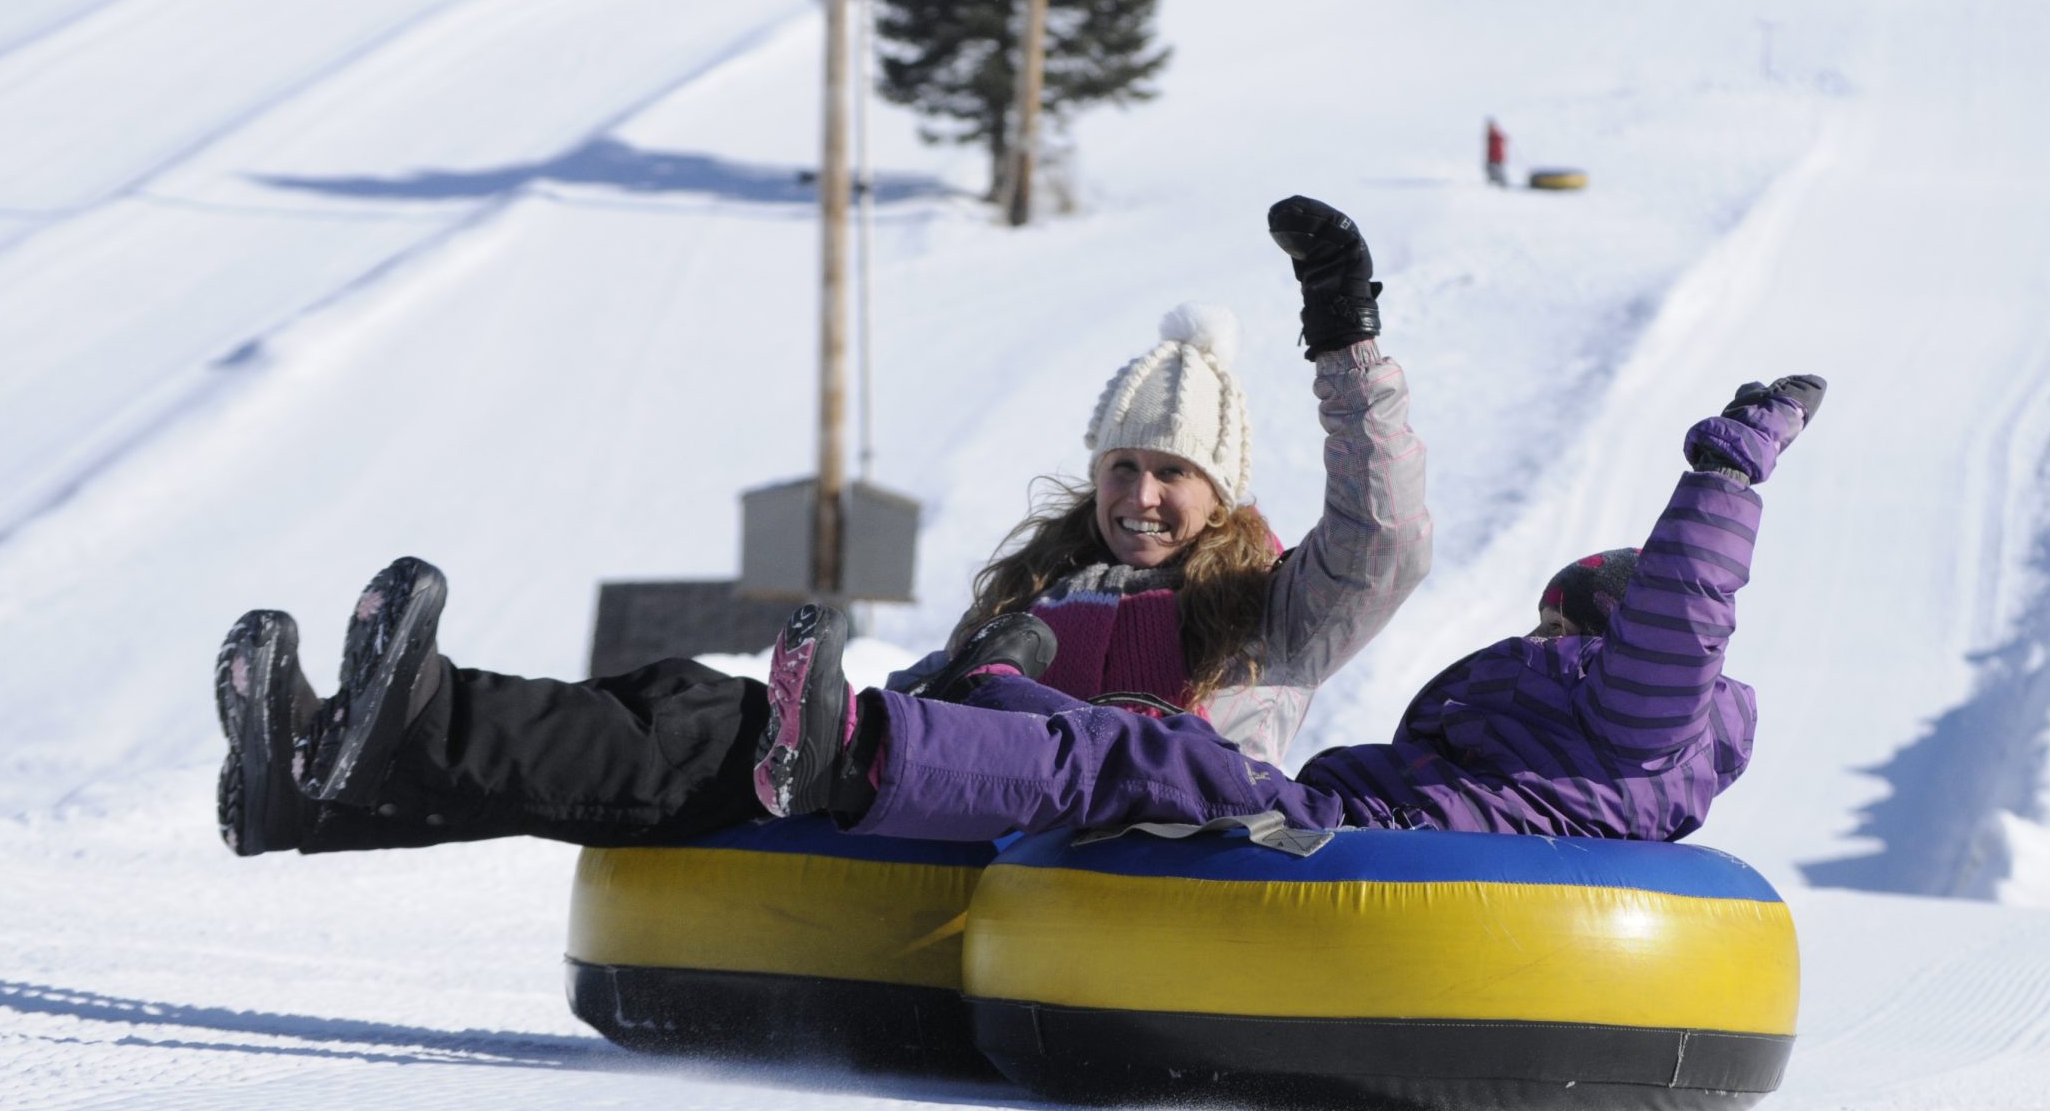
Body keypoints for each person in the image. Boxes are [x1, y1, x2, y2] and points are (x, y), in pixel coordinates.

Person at [213, 197, 1431, 856]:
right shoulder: (1045, 584)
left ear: (1221, 493)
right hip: (934, 786)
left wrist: (1344, 337)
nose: (1141, 497)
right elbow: (947, 689)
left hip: (1091, 831)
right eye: (1122, 466)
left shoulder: (1271, 610)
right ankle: (346, 761)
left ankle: (398, 733)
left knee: (727, 742)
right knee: (689, 711)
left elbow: (1384, 533)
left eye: (1173, 474)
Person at [758, 376, 1823, 843]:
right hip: (1375, 825)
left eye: (1560, 626)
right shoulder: (1578, 750)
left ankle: (861, 749)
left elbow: (1681, 615)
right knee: (1141, 745)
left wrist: (1728, 471)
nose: (1540, 639)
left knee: (1155, 758)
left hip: (1380, 846)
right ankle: (953, 702)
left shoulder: (1641, 723)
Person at [1484, 118, 1509, 187]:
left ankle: (1503, 184)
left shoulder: (1494, 136)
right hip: (1493, 159)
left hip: (1497, 159)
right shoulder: (1492, 136)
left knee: (1498, 173)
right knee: (1494, 173)